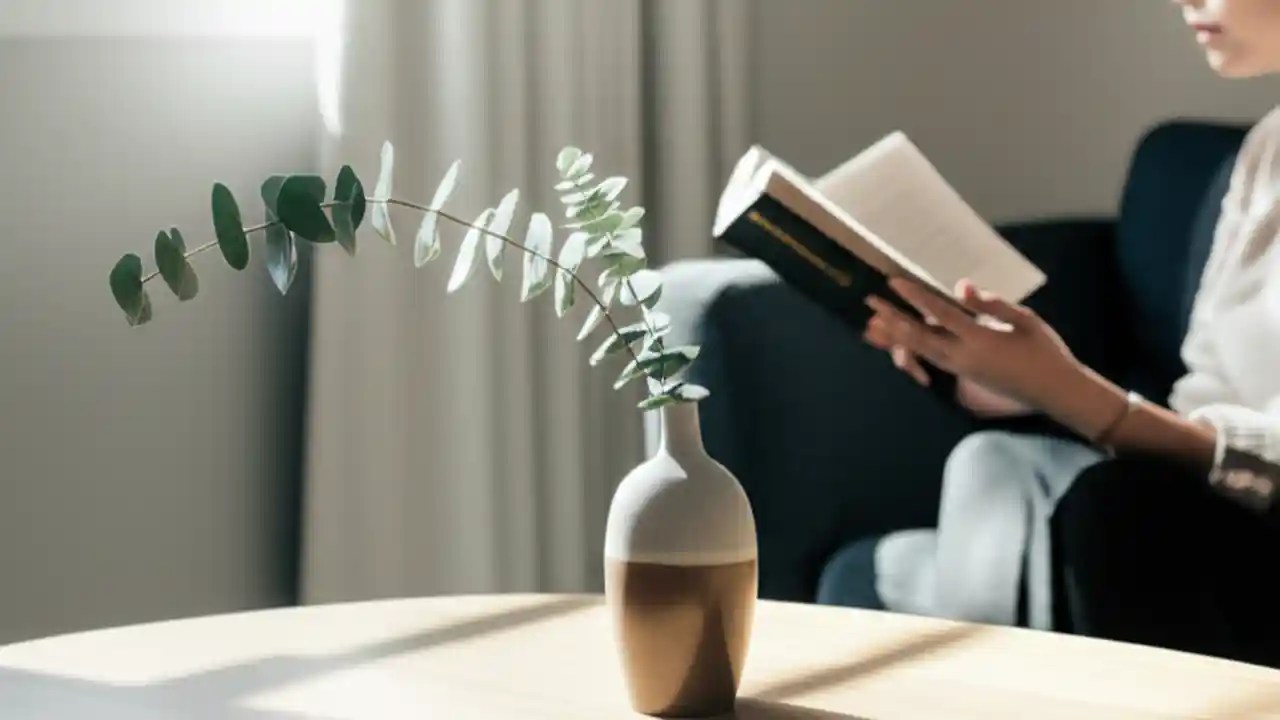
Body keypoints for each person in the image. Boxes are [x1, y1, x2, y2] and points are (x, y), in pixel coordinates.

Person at [856, 0, 1280, 666]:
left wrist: (1074, 392)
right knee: (988, 462)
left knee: (1119, 510)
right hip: (1210, 500)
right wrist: (1013, 380)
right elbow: (1203, 401)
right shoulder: (1268, 149)